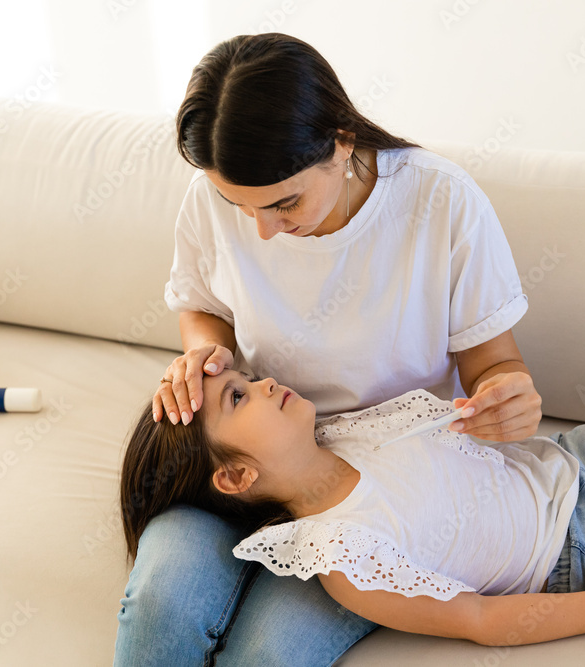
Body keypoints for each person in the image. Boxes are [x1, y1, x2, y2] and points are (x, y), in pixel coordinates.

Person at [114, 32, 542, 665]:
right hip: (248, 458)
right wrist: (205, 356)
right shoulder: (213, 196)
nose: (261, 230)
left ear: (341, 141)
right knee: (160, 606)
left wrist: (508, 398)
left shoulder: (440, 202)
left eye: (284, 202)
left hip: (366, 494)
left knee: (269, 654)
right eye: (240, 206)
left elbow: (494, 365)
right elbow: (203, 305)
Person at [119, 355, 585, 649]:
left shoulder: (349, 426)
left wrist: (496, 402)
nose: (262, 380)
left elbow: (467, 423)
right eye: (239, 397)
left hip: (583, 456)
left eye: (243, 376)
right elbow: (482, 620)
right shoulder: (344, 558)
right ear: (235, 478)